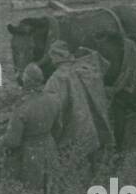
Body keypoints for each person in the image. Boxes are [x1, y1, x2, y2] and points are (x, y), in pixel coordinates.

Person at [43, 40, 113, 178]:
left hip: (74, 124)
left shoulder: (56, 78)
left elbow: (52, 105)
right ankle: (96, 178)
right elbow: (103, 65)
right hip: (92, 123)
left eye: (52, 56)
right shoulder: (83, 68)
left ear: (56, 57)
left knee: (72, 158)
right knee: (92, 156)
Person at [1, 63, 63, 194]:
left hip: (31, 154)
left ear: (26, 81)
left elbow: (12, 141)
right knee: (51, 190)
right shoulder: (54, 100)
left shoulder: (22, 107)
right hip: (49, 148)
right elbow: (58, 128)